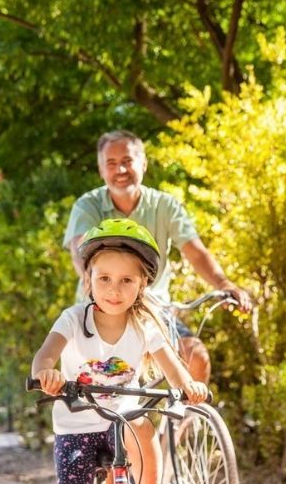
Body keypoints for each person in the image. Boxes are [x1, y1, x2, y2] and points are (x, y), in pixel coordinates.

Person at [30, 217, 209, 484]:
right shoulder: (74, 319)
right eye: (104, 278)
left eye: (126, 280)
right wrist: (47, 374)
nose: (114, 289)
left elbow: (172, 366)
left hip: (121, 421)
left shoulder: (145, 323)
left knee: (145, 426)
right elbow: (44, 356)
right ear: (88, 279)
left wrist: (187, 385)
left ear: (143, 284)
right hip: (77, 426)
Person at [64, 129, 252, 384]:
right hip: (102, 309)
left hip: (152, 310)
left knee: (195, 356)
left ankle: (187, 411)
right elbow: (81, 252)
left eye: (127, 161)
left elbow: (195, 251)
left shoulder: (165, 205)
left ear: (143, 163)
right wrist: (95, 286)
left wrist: (224, 284)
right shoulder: (88, 206)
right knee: (101, 382)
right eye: (111, 163)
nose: (120, 170)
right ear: (101, 170)